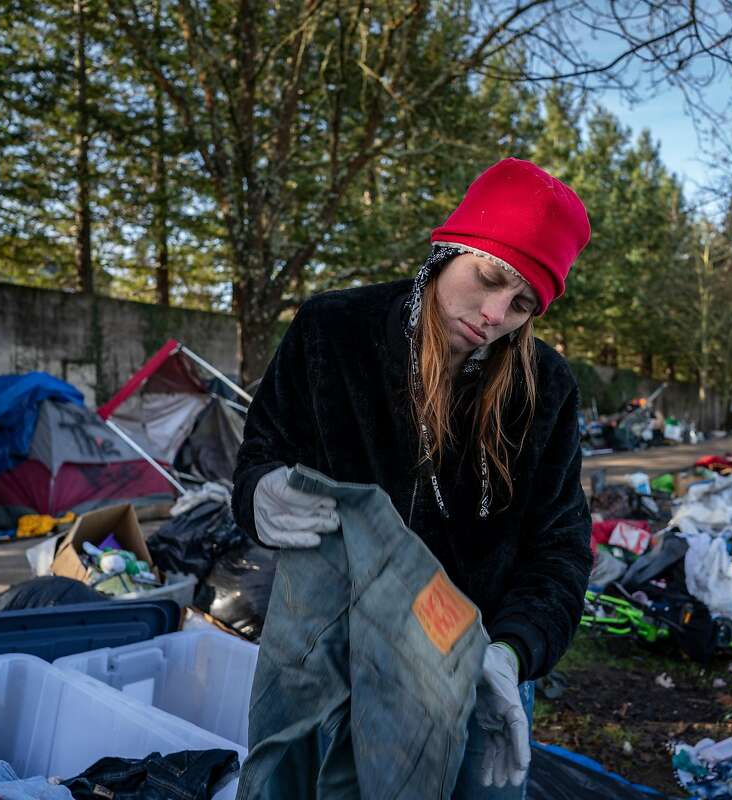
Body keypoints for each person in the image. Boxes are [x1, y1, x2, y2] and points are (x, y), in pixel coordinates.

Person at [232, 157, 594, 798]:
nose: (493, 314)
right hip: (337, 655)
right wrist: (259, 493)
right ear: (450, 248)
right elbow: (263, 451)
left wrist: (512, 654)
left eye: (522, 305)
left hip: (480, 665)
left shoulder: (548, 389)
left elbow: (559, 548)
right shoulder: (333, 332)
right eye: (488, 278)